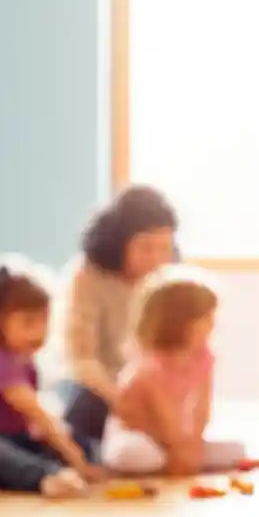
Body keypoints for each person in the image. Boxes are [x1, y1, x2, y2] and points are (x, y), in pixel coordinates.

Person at [0, 256, 104, 497]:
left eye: (43, 320)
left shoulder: (26, 363)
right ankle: (44, 477)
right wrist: (75, 458)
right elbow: (38, 414)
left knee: (77, 440)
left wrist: (73, 447)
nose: (39, 331)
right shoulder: (1, 365)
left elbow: (36, 426)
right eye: (28, 322)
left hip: (18, 439)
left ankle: (56, 469)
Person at [54, 185, 178, 448]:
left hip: (150, 385)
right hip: (99, 385)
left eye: (164, 247)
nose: (156, 259)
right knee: (84, 408)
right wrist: (120, 398)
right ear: (119, 244)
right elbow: (81, 359)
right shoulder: (88, 276)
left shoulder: (171, 278)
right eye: (145, 248)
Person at [101, 266, 244, 475]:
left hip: (177, 433)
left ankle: (168, 461)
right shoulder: (150, 365)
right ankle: (165, 461)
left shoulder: (204, 357)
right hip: (140, 435)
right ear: (180, 323)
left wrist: (194, 443)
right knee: (132, 454)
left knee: (236, 450)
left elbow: (202, 408)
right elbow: (163, 415)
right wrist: (178, 449)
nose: (213, 325)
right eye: (206, 319)